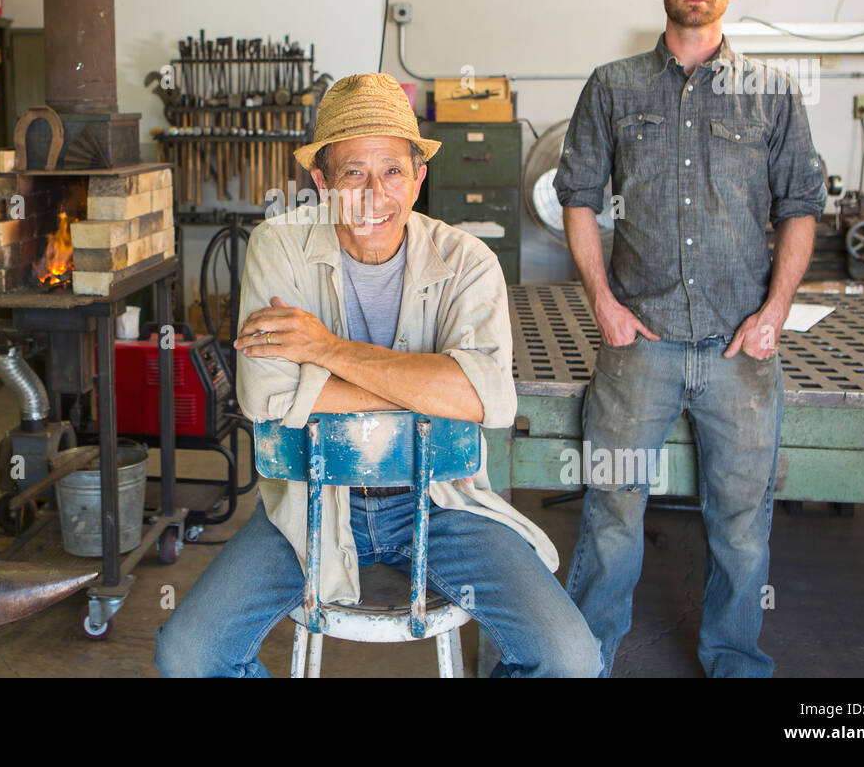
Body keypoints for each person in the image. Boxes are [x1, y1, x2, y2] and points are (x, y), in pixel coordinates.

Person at [155, 72, 600, 677]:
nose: (373, 194)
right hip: (311, 500)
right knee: (188, 654)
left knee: (570, 659)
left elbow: (483, 397)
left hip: (444, 501)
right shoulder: (277, 247)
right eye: (352, 173)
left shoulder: (467, 261)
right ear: (321, 182)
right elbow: (266, 397)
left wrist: (327, 350)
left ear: (419, 177)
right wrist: (425, 388)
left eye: (392, 170)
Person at [554, 0, 825, 677]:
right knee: (611, 516)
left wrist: (774, 313)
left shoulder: (771, 95)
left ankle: (735, 658)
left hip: (743, 349)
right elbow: (576, 193)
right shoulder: (613, 87)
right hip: (638, 343)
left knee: (742, 524)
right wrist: (602, 301)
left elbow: (801, 206)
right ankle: (586, 655)